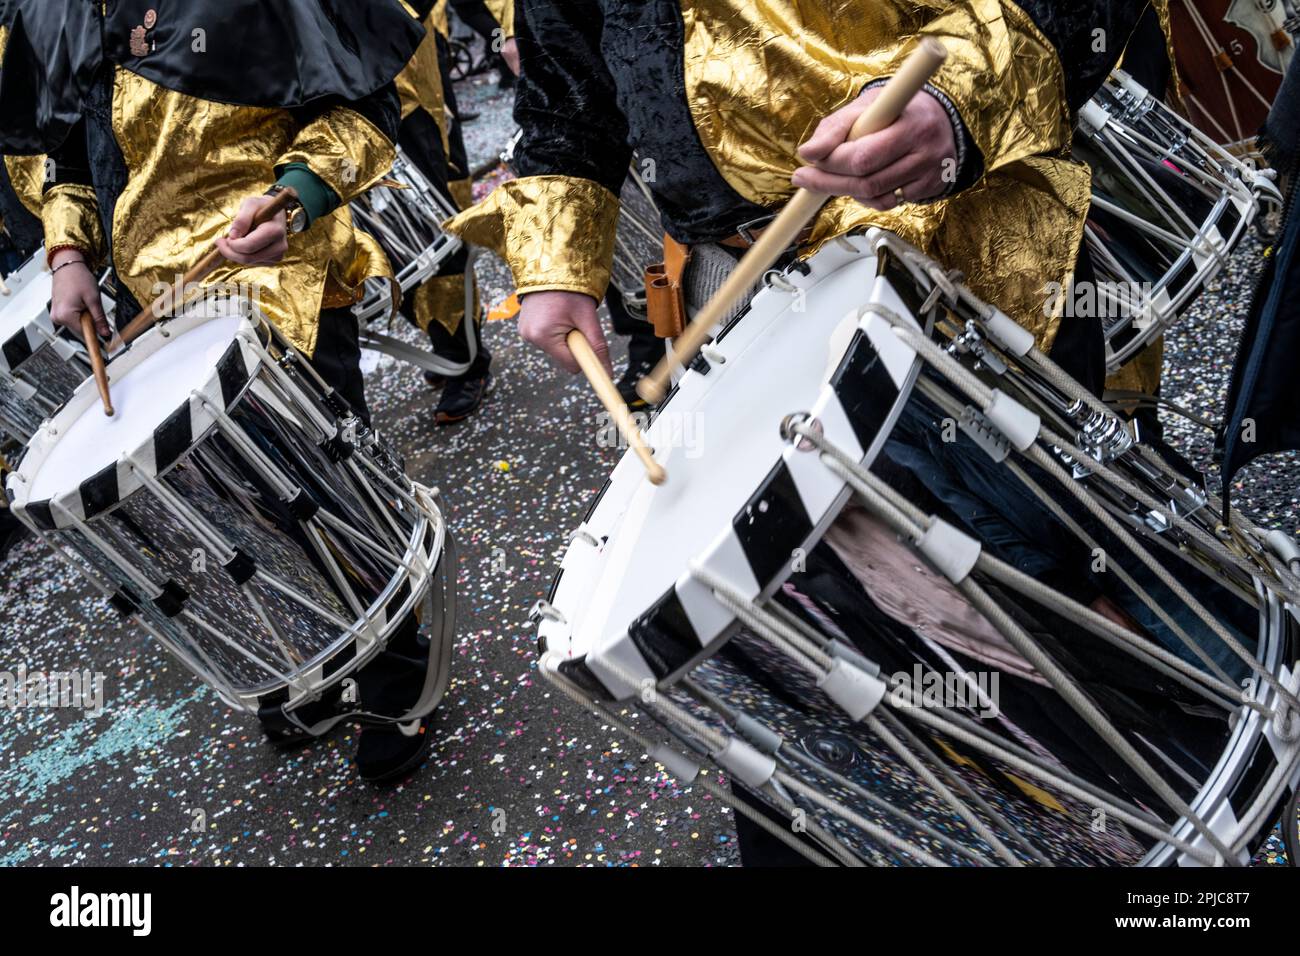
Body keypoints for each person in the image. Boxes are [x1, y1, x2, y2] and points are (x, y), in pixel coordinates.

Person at [446, 0, 1157, 864]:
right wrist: (556, 260)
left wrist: (956, 101)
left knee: (1072, 675)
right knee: (809, 697)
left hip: (958, 265)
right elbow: (566, 95)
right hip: (738, 312)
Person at [0, 0, 445, 783]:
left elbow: (364, 103)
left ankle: (396, 672)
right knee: (252, 509)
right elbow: (67, 148)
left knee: (332, 489)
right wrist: (68, 251)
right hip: (160, 311)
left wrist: (295, 194)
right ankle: (328, 654)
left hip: (278, 280)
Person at [393, 1, 494, 424]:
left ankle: (467, 360)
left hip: (408, 84)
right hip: (329, 101)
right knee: (387, 238)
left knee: (437, 222)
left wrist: (493, 31)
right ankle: (444, 341)